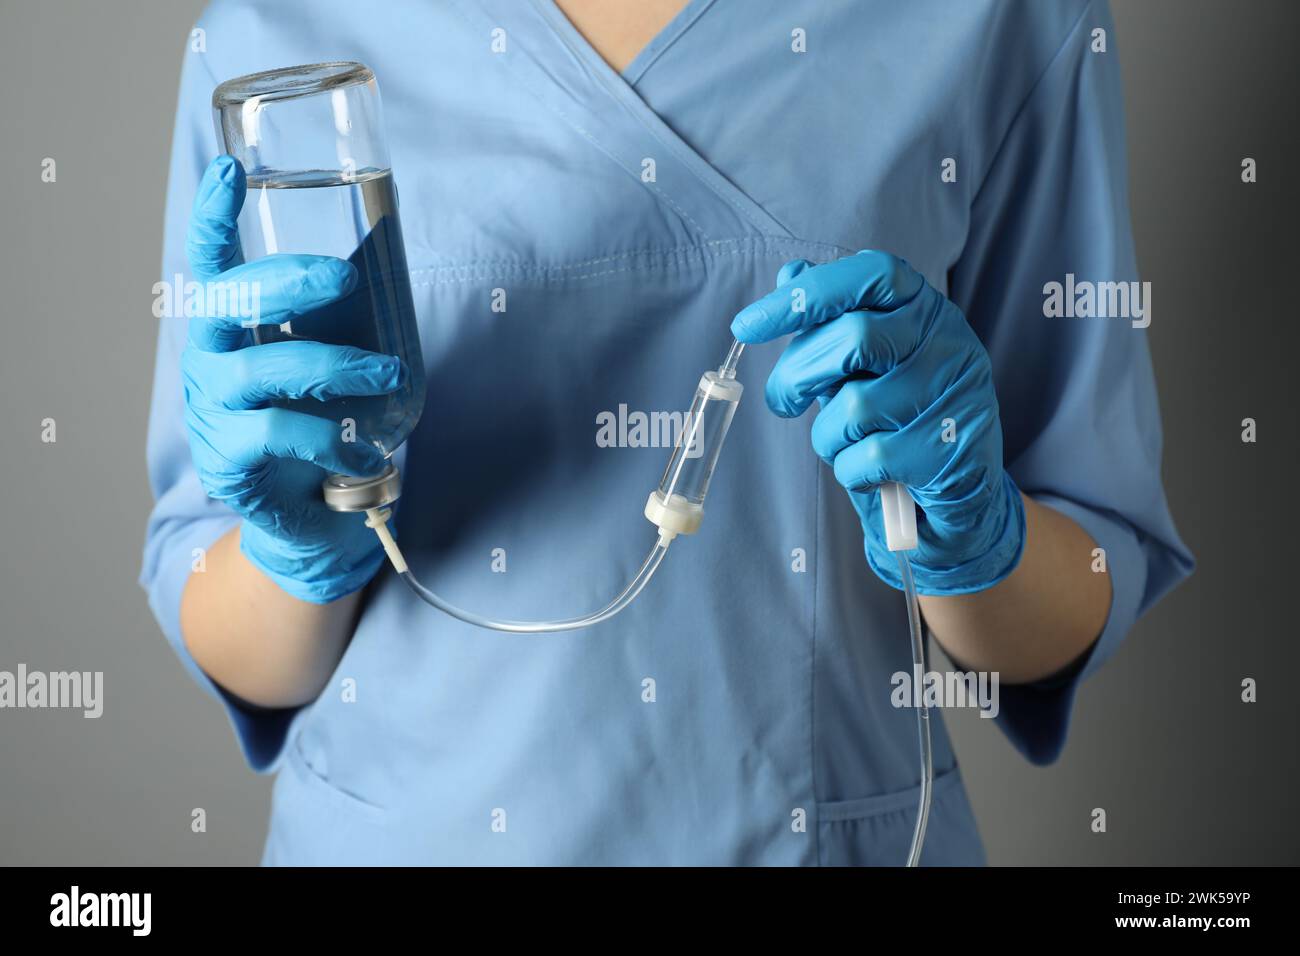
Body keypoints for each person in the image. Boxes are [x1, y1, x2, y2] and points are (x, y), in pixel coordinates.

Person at [141, 0, 1193, 865]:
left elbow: (1084, 576)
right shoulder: (271, 33)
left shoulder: (991, 16)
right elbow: (230, 630)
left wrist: (972, 537)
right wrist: (296, 556)